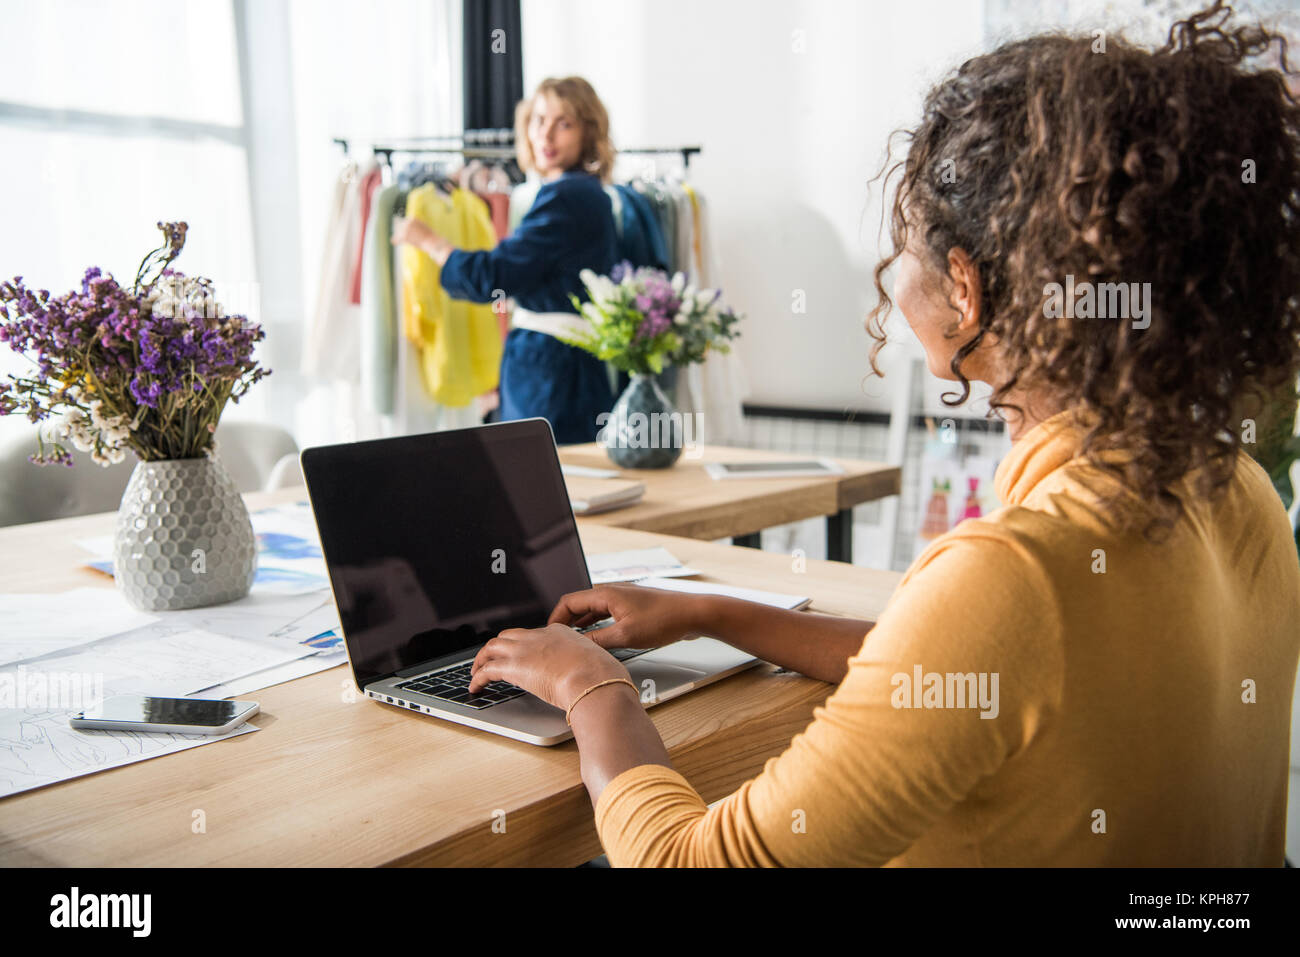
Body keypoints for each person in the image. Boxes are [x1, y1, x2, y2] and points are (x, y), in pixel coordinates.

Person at [463, 2, 1300, 866]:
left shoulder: (1015, 577)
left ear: (966, 289)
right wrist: (712, 611)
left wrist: (591, 685)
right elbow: (960, 669)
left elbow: (689, 861)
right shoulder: (1235, 490)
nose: (889, 272)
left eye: (903, 242)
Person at [392, 76, 618, 443]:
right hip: (560, 369)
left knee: (544, 487)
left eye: (564, 123)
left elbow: (494, 276)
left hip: (553, 375)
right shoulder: (581, 194)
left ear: (587, 132)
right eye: (539, 120)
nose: (546, 135)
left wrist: (430, 242)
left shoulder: (569, 197)